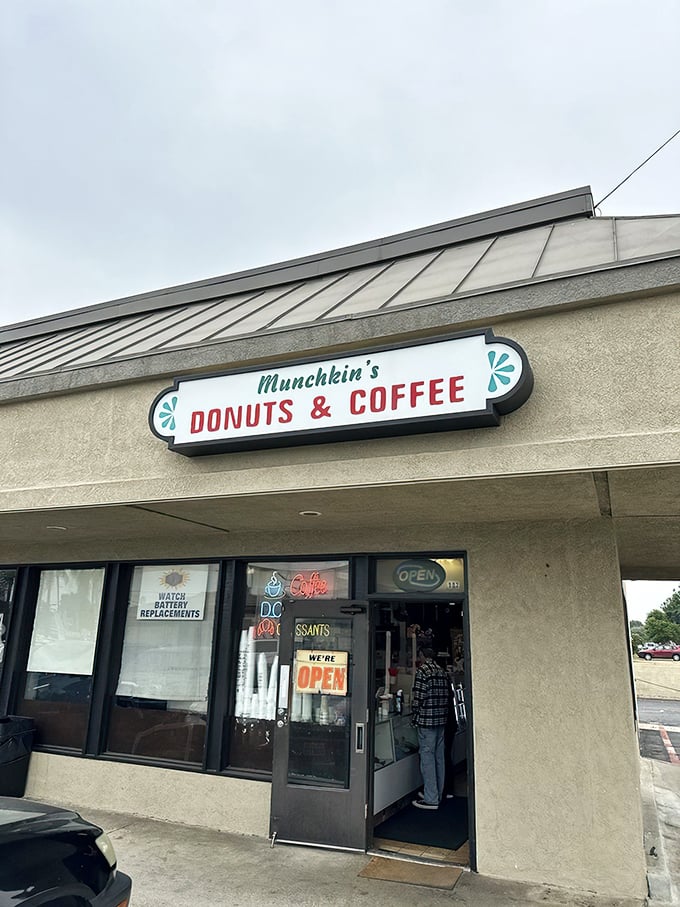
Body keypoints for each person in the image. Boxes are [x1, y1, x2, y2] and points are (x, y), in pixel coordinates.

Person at [410, 646, 450, 810]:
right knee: (439, 758)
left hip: (427, 721)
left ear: (421, 656)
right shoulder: (442, 671)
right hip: (441, 720)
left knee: (427, 759)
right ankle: (437, 793)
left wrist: (414, 715)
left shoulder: (423, 672)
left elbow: (418, 697)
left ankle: (431, 798)